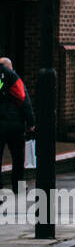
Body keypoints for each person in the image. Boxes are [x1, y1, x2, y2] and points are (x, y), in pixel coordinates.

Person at [0, 58, 36, 195]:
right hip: (15, 124)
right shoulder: (14, 78)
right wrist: (31, 122)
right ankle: (18, 186)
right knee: (18, 157)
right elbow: (24, 100)